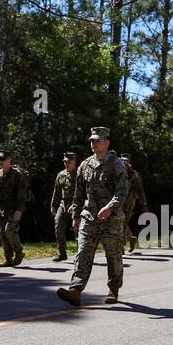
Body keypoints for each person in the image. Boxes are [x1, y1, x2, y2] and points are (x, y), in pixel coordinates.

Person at [57, 126, 128, 307]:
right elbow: (79, 194)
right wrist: (75, 216)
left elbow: (122, 191)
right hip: (89, 217)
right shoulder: (85, 165)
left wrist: (110, 208)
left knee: (113, 256)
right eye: (92, 140)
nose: (93, 143)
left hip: (111, 219)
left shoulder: (116, 164)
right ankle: (75, 290)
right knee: (83, 253)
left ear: (107, 142)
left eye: (97, 140)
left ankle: (113, 289)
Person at [0, 151, 29, 266]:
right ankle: (8, 258)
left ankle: (19, 252)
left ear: (9, 160)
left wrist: (19, 210)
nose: (0, 162)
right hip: (2, 210)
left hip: (14, 209)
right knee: (2, 234)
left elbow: (21, 194)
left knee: (9, 231)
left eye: (3, 159)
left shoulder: (17, 175)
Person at [50, 152, 77, 261]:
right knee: (58, 225)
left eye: (69, 161)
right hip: (63, 204)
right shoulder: (61, 175)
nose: (66, 164)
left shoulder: (80, 174)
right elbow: (56, 191)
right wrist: (53, 205)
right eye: (65, 162)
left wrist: (75, 205)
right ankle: (62, 253)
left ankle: (82, 254)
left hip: (76, 204)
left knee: (77, 229)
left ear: (74, 162)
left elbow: (84, 192)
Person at [120, 153, 147, 254]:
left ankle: (120, 247)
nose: (124, 163)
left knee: (122, 222)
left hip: (129, 202)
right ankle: (131, 238)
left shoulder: (134, 174)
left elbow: (140, 190)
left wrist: (144, 205)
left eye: (126, 161)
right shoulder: (117, 171)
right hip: (118, 201)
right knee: (120, 222)